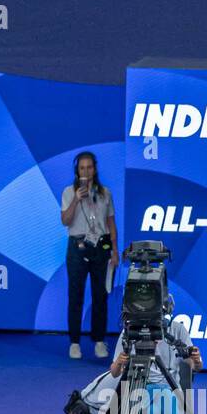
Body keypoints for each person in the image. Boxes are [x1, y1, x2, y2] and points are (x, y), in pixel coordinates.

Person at [60, 150, 118, 361]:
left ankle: (99, 341)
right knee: (75, 295)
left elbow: (111, 222)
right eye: (82, 168)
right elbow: (65, 221)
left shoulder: (105, 193)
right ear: (77, 171)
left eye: (89, 167)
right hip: (77, 246)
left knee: (100, 295)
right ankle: (74, 342)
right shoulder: (68, 192)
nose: (86, 171)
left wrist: (115, 250)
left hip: (101, 246)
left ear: (95, 169)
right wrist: (76, 200)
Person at [107, 306, 203, 414]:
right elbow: (114, 373)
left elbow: (196, 366)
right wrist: (119, 362)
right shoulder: (130, 331)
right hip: (139, 386)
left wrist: (197, 360)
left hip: (169, 387)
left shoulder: (178, 329)